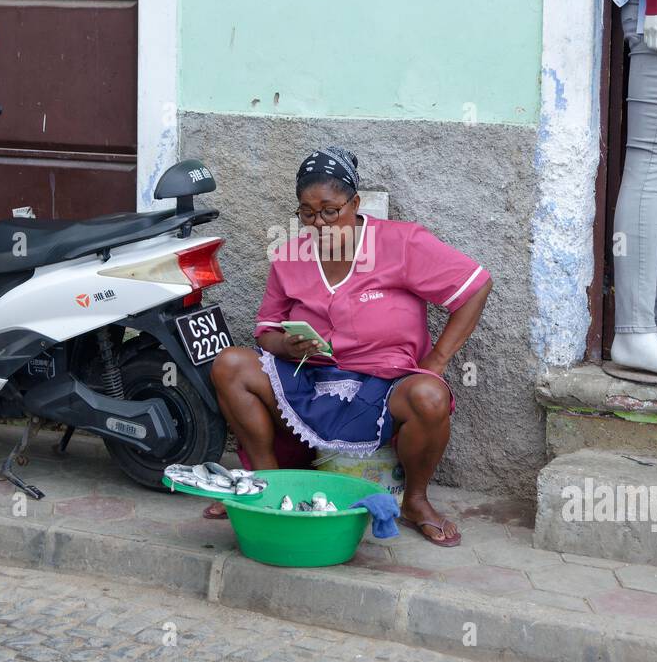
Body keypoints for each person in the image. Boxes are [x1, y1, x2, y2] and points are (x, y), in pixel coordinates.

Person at [206, 147, 492, 546]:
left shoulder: (401, 242)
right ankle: (266, 482)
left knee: (429, 396)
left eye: (329, 211)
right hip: (311, 378)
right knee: (230, 365)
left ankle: (416, 500)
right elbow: (265, 331)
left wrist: (436, 361)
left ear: (354, 203)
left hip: (385, 383)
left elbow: (476, 286)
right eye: (307, 213)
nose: (318, 223)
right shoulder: (291, 255)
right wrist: (287, 345)